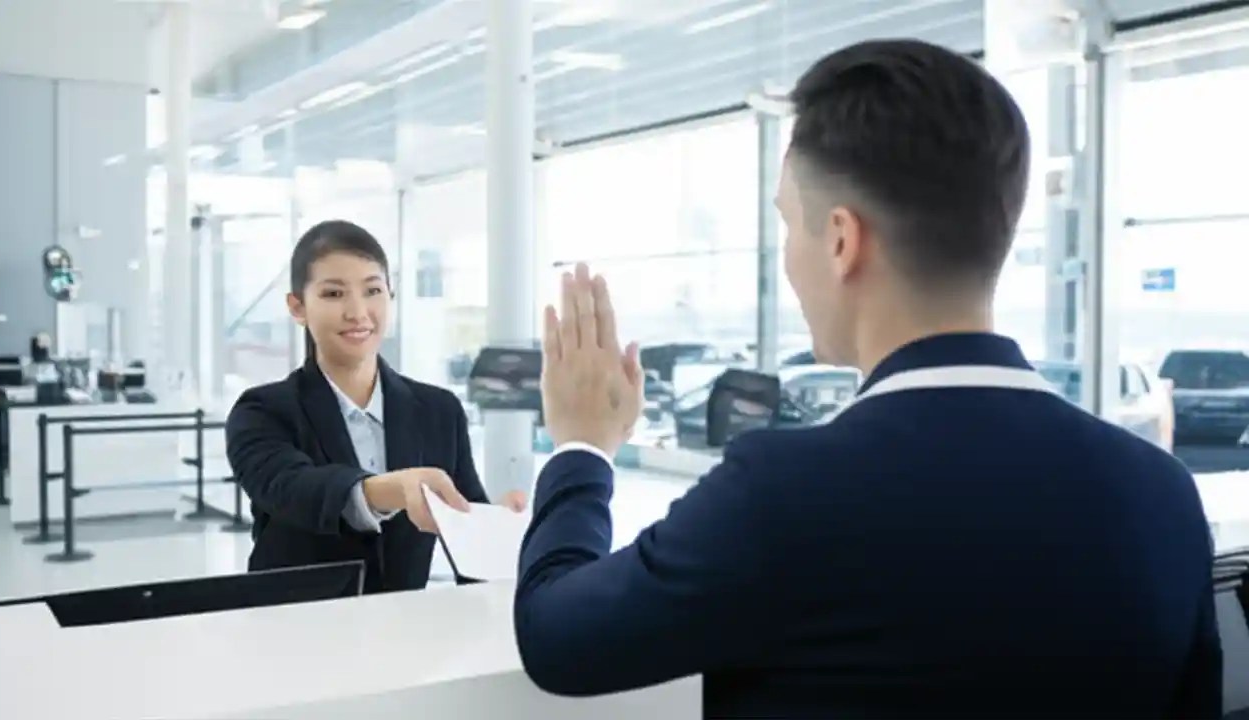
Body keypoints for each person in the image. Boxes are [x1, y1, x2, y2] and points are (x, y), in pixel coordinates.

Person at [514, 40, 1221, 718]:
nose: (788, 260)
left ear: (841, 240)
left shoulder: (785, 494)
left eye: (789, 226)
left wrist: (583, 446)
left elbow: (557, 636)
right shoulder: (1161, 495)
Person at [225, 220, 524, 594]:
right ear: (298, 307)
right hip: (294, 621)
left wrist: (501, 530)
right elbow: (295, 490)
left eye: (373, 291)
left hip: (401, 622)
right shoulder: (261, 412)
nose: (358, 312)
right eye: (334, 294)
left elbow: (467, 534)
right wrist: (391, 489)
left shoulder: (438, 411)